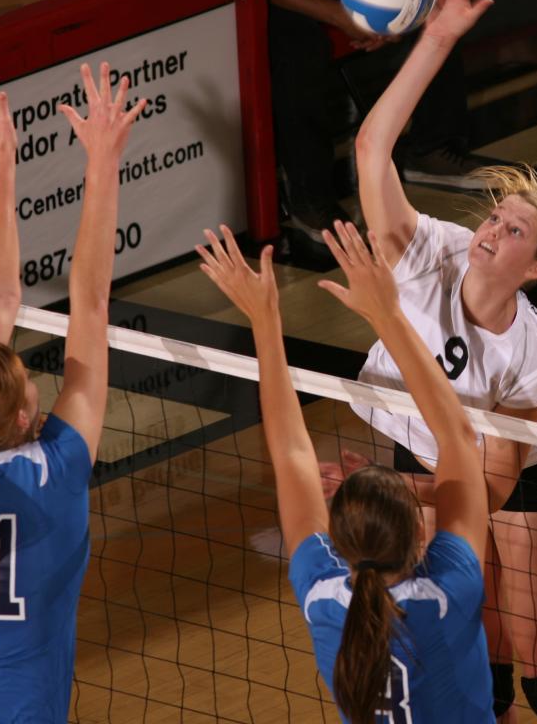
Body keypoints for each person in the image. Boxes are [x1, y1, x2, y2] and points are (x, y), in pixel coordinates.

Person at [340, 0, 537, 723]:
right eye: (495, 216)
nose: (492, 230)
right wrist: (438, 38)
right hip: (418, 454)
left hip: (520, 483)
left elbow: (483, 490)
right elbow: (371, 149)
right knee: (473, 667)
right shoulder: (428, 251)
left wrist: (383, 494)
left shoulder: (532, 354)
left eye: (515, 230)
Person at [0, 64, 146, 723]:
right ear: (21, 415)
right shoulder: (54, 467)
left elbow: (1, 297)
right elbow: (89, 303)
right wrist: (103, 161)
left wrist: (2, 162)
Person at [197, 220, 495, 723]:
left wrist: (263, 318)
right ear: (419, 534)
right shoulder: (446, 594)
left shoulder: (325, 597)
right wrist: (387, 313)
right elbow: (460, 438)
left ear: (339, 541)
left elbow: (292, 454)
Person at [192, 0, 483, 241]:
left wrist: (389, 7)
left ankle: (433, 148)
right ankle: (310, 198)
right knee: (300, 47)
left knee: (425, 2)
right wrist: (340, 15)